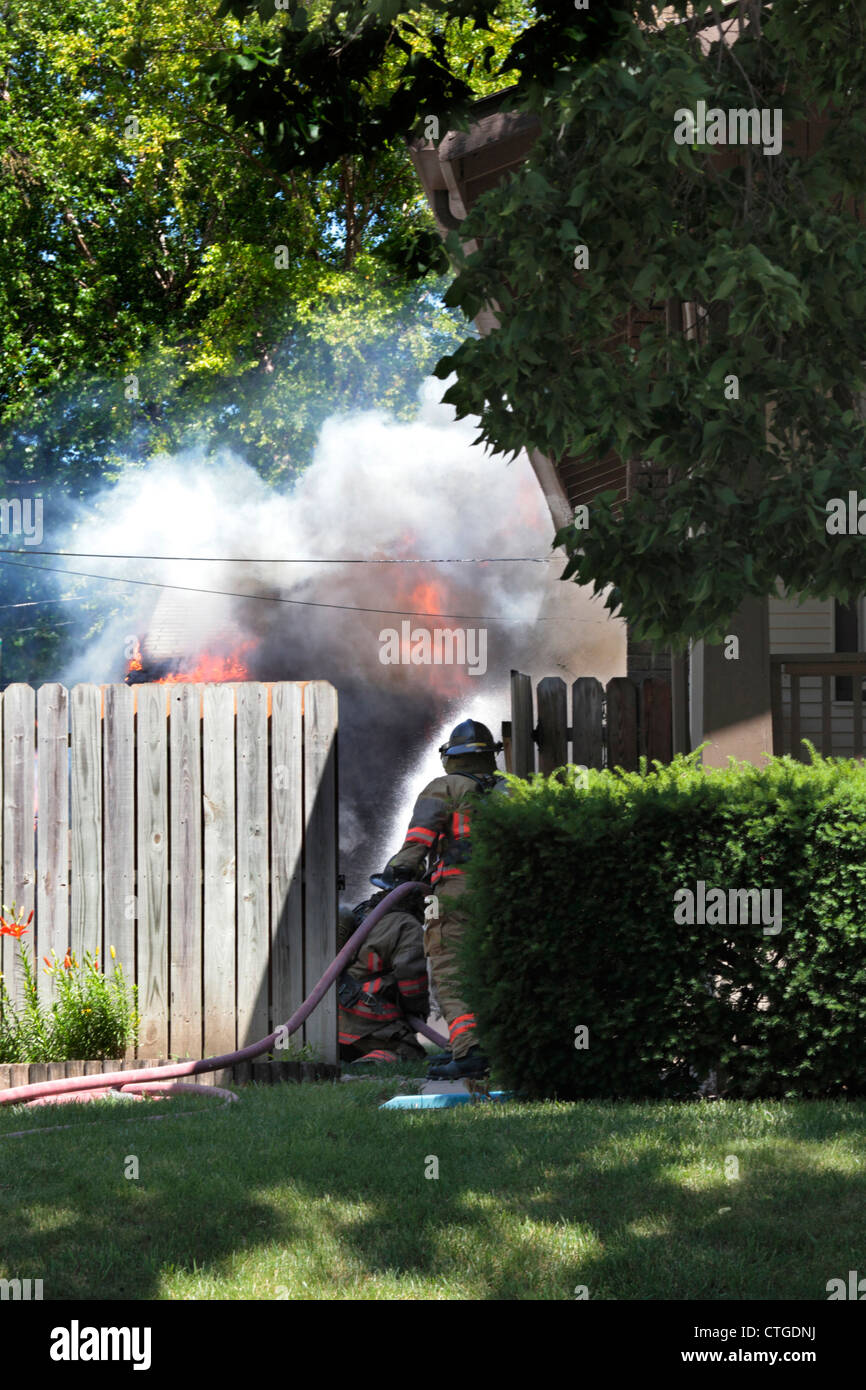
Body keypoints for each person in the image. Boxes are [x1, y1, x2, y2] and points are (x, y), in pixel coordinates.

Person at [371, 719, 505, 1081]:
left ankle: (469, 1051)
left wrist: (395, 874)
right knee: (498, 971)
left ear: (451, 756)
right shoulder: (514, 790)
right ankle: (504, 1050)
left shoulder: (444, 787)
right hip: (508, 896)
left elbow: (418, 840)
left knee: (452, 972)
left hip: (459, 896)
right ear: (492, 756)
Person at [337, 887, 430, 1064]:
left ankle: (346, 1056)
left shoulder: (362, 915)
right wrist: (417, 1011)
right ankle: (371, 1063)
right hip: (369, 1021)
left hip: (335, 1020)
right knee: (410, 1051)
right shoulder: (407, 925)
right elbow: (411, 977)